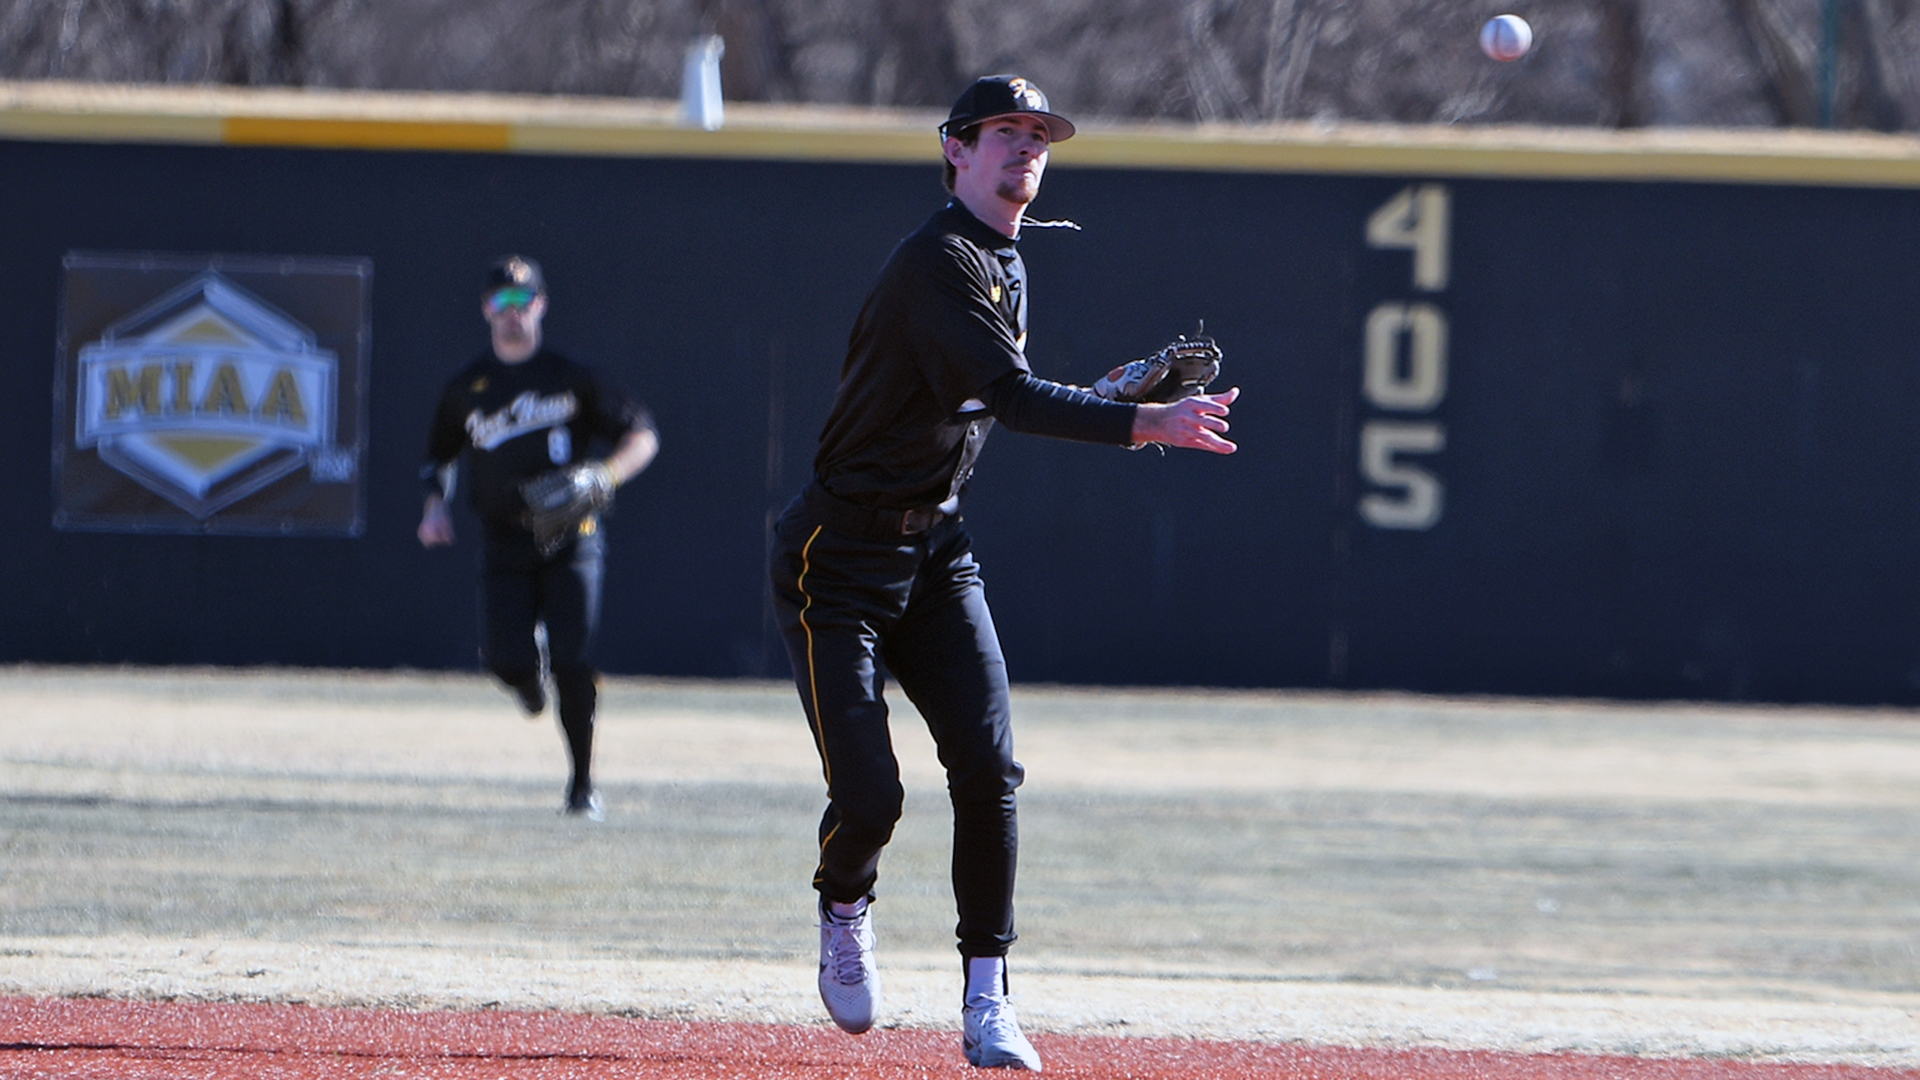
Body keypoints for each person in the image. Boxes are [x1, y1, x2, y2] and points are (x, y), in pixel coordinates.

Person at [766, 75, 1240, 1071]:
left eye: (1039, 135)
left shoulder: (1007, 259)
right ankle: (843, 901)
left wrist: (1105, 395)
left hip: (936, 552)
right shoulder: (938, 260)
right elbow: (1015, 401)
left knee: (989, 770)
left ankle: (988, 1001)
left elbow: (983, 401)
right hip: (838, 559)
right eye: (1004, 132)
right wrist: (1144, 421)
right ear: (956, 149)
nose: (1027, 147)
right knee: (872, 801)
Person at [418, 255, 659, 822]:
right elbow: (439, 455)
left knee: (576, 662)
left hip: (572, 537)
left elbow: (642, 434)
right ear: (486, 310)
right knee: (506, 661)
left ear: (542, 305)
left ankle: (582, 785)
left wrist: (606, 474)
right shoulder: (467, 387)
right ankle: (527, 682)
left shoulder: (570, 376)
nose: (513, 312)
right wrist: (433, 506)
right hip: (505, 538)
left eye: (523, 300)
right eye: (502, 301)